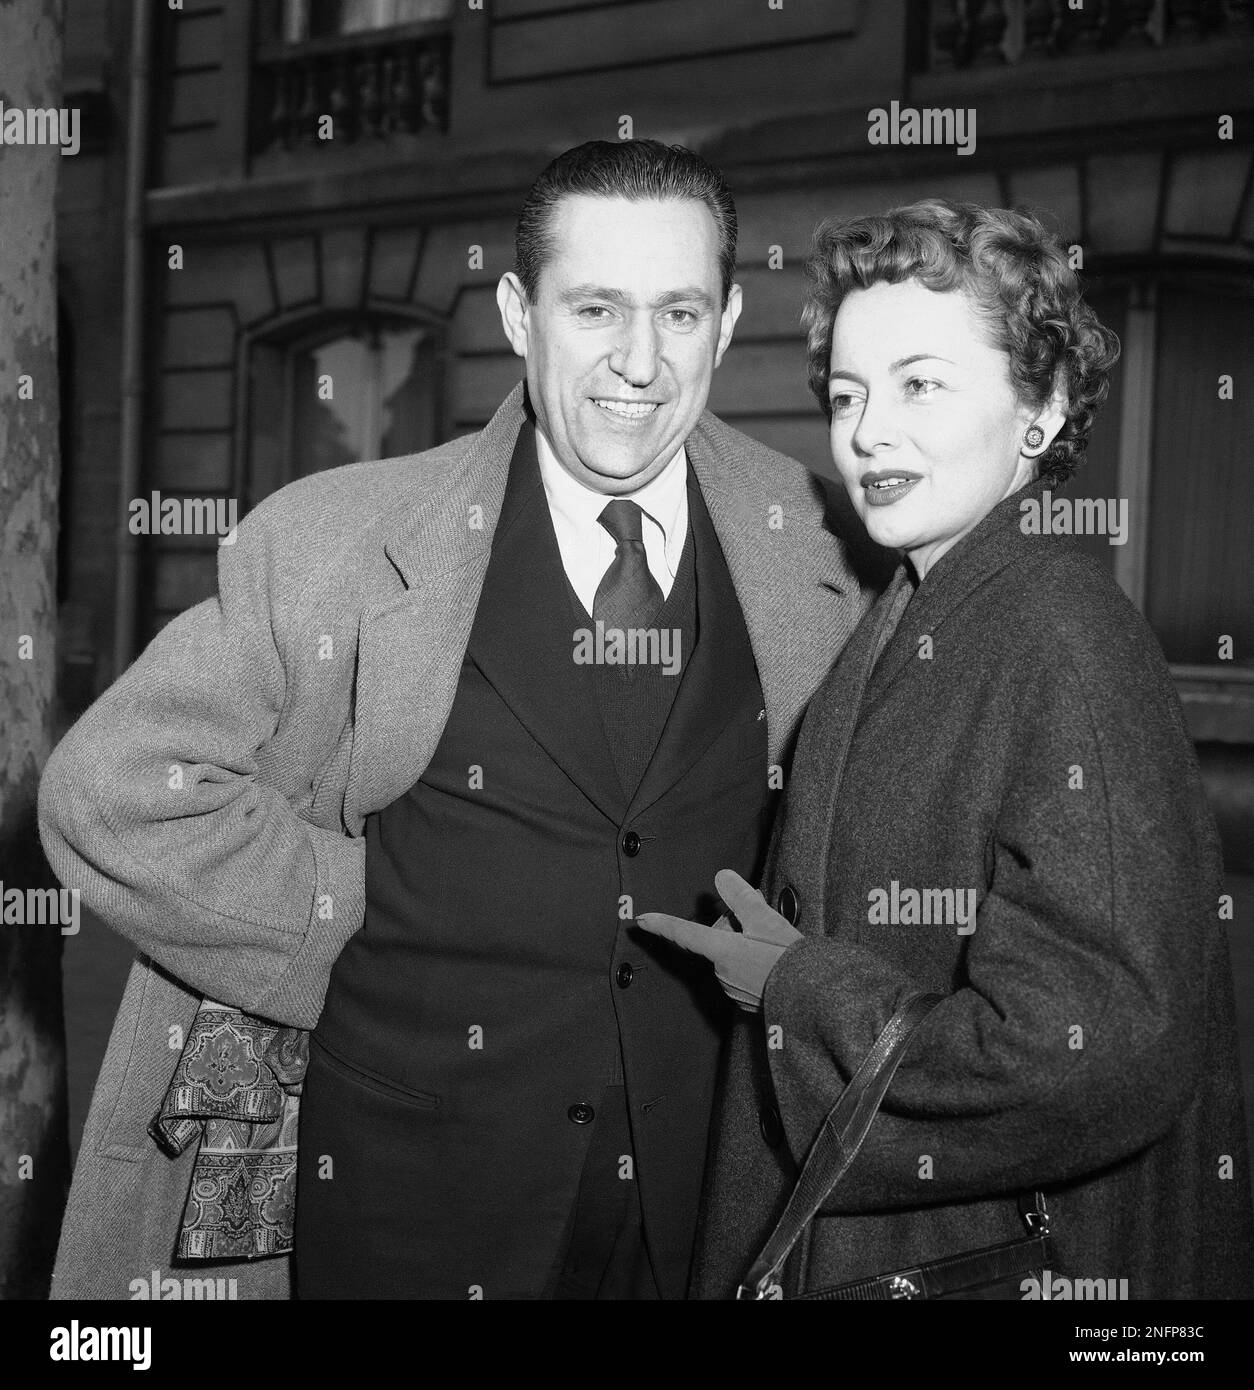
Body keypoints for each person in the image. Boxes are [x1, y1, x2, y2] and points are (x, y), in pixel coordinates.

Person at [38, 140, 867, 1300]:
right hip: (402, 1202)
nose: (640, 360)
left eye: (679, 312)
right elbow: (112, 792)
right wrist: (360, 910)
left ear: (727, 323)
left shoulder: (828, 540)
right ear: (521, 315)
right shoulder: (334, 539)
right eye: (596, 309)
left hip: (712, 1206)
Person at [638, 199, 1254, 1299]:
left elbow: (1096, 1049)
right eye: (846, 394)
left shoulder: (1061, 632)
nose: (869, 431)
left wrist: (796, 984)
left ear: (1042, 407)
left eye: (921, 383)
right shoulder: (922, 606)